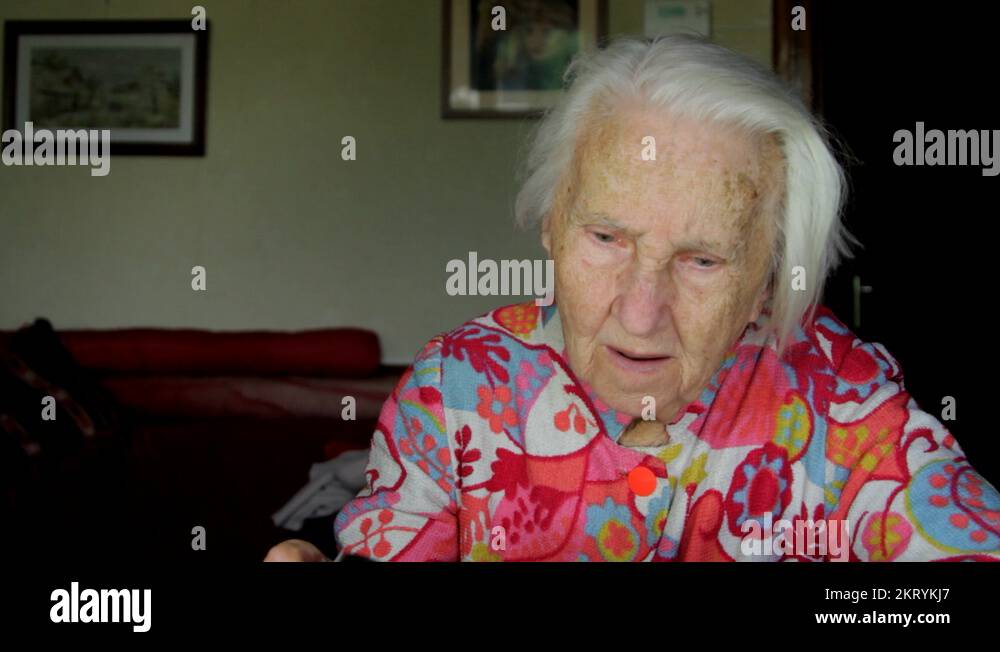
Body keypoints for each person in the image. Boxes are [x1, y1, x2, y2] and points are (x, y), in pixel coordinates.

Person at [266, 35, 1000, 562]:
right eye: (608, 238)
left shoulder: (847, 401)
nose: (641, 311)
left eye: (703, 259)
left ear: (768, 284)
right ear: (552, 227)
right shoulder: (457, 390)